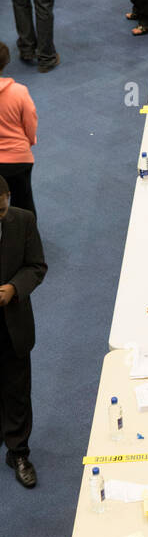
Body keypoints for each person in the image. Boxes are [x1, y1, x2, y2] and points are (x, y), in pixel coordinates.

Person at [0, 174, 46, 488]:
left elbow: (36, 266)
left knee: (17, 391)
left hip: (12, 324)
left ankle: (18, 452)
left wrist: (14, 288)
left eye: (2, 210)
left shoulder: (23, 220)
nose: (1, 216)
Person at [0, 44, 36, 212]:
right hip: (19, 161)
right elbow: (30, 123)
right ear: (6, 62)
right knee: (24, 204)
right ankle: (28, 238)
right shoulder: (20, 92)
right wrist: (28, 142)